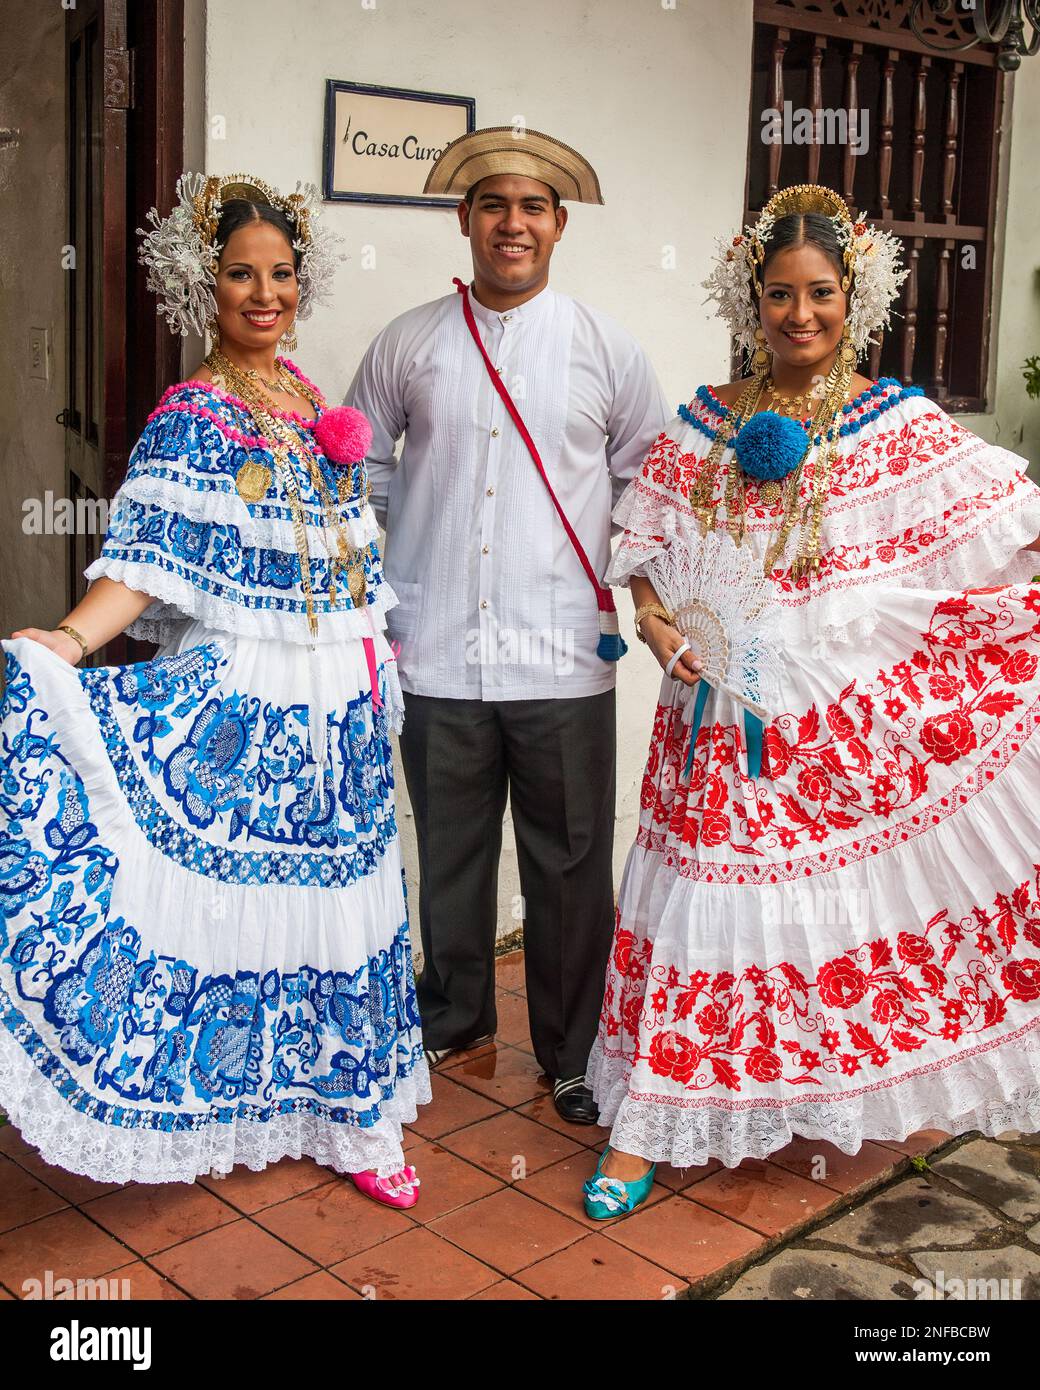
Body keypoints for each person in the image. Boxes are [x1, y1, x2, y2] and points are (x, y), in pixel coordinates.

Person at [582, 182, 1040, 1217]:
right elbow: (641, 560)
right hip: (712, 716)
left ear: (852, 296)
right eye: (779, 295)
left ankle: (796, 1093)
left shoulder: (897, 424)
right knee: (700, 900)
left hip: (831, 728)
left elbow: (1011, 524)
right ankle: (646, 1127)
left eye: (819, 293)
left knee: (814, 920)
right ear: (750, 301)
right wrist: (654, 627)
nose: (799, 315)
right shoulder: (700, 423)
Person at [0, 173, 429, 1207]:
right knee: (236, 901)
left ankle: (354, 1116)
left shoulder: (318, 403)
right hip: (249, 702)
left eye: (280, 274)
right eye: (241, 274)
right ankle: (224, 1104)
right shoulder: (192, 415)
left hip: (345, 706)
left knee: (346, 906)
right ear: (204, 286)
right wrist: (65, 639)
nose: (264, 293)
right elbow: (142, 561)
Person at [345, 127, 669, 1122]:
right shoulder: (408, 341)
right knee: (446, 848)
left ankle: (573, 1052)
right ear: (465, 221)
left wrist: (649, 605)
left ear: (558, 225)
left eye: (532, 207)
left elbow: (646, 489)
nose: (512, 224)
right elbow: (358, 465)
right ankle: (454, 1016)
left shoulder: (606, 347)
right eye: (494, 205)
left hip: (564, 654)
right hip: (434, 649)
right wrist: (387, 574)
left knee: (567, 864)